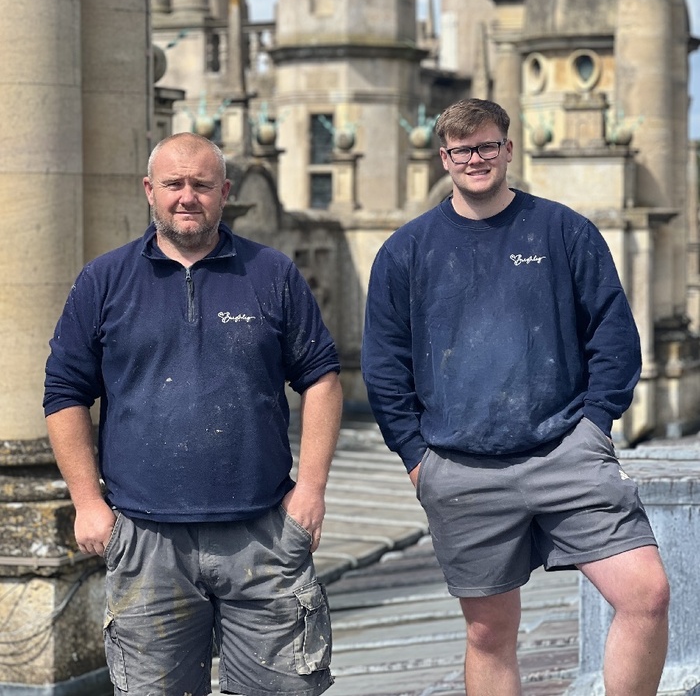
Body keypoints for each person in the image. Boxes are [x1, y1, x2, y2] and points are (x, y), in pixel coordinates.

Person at [361, 98, 669, 696]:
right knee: (489, 635)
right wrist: (417, 459)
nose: (475, 159)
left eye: (486, 146)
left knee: (647, 595)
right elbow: (384, 365)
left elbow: (613, 335)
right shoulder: (406, 250)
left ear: (507, 148)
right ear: (444, 157)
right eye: (461, 150)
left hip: (566, 454)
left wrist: (595, 426)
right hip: (461, 467)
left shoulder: (562, 230)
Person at [44, 132, 343, 696]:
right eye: (173, 184)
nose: (188, 197)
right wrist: (87, 502)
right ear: (149, 191)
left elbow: (322, 379)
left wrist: (312, 489)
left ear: (224, 192)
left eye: (202, 185)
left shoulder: (271, 274)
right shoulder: (104, 281)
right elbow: (64, 392)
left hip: (264, 534)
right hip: (145, 540)